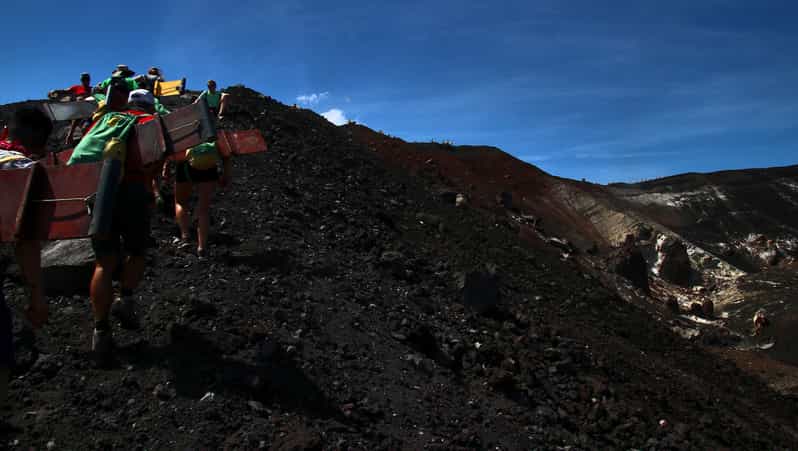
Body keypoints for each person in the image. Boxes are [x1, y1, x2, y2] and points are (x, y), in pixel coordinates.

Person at [67, 81, 160, 361]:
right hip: (131, 191)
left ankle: (100, 330)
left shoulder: (107, 117)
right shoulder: (148, 120)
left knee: (103, 262)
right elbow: (152, 162)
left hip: (98, 190)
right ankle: (126, 298)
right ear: (149, 106)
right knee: (137, 252)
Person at [1, 107, 52, 406]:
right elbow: (27, 242)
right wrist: (36, 297)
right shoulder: (25, 171)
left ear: (7, 132)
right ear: (43, 146)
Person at [172, 140, 231, 259]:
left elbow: (173, 151)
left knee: (180, 202)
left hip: (185, 166)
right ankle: (202, 247)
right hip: (208, 169)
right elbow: (226, 155)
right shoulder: (212, 130)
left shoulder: (184, 127)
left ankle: (185, 236)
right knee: (204, 209)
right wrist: (226, 174)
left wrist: (166, 166)